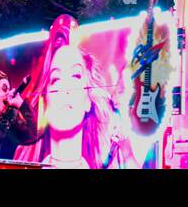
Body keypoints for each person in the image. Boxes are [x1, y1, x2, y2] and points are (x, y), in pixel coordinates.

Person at [16, 15, 133, 168]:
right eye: (56, 79)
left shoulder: (113, 157)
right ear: (46, 102)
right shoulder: (22, 157)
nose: (66, 88)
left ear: (88, 101)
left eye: (76, 75)